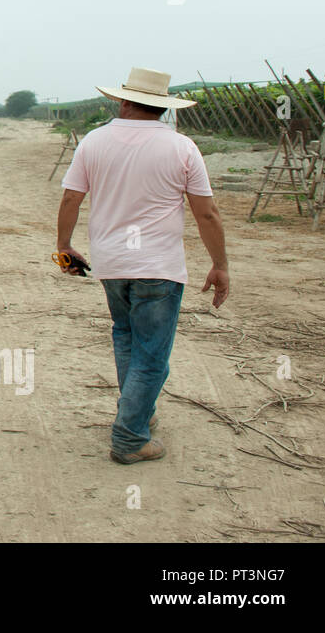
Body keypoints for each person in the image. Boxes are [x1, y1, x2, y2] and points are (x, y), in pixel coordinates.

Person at [56, 67, 228, 465]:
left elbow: (70, 200)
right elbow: (208, 214)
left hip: (111, 264)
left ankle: (140, 411)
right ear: (163, 108)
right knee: (151, 352)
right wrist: (220, 264)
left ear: (123, 101)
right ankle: (131, 437)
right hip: (159, 266)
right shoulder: (182, 148)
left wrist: (64, 248)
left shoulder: (94, 142)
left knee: (126, 337)